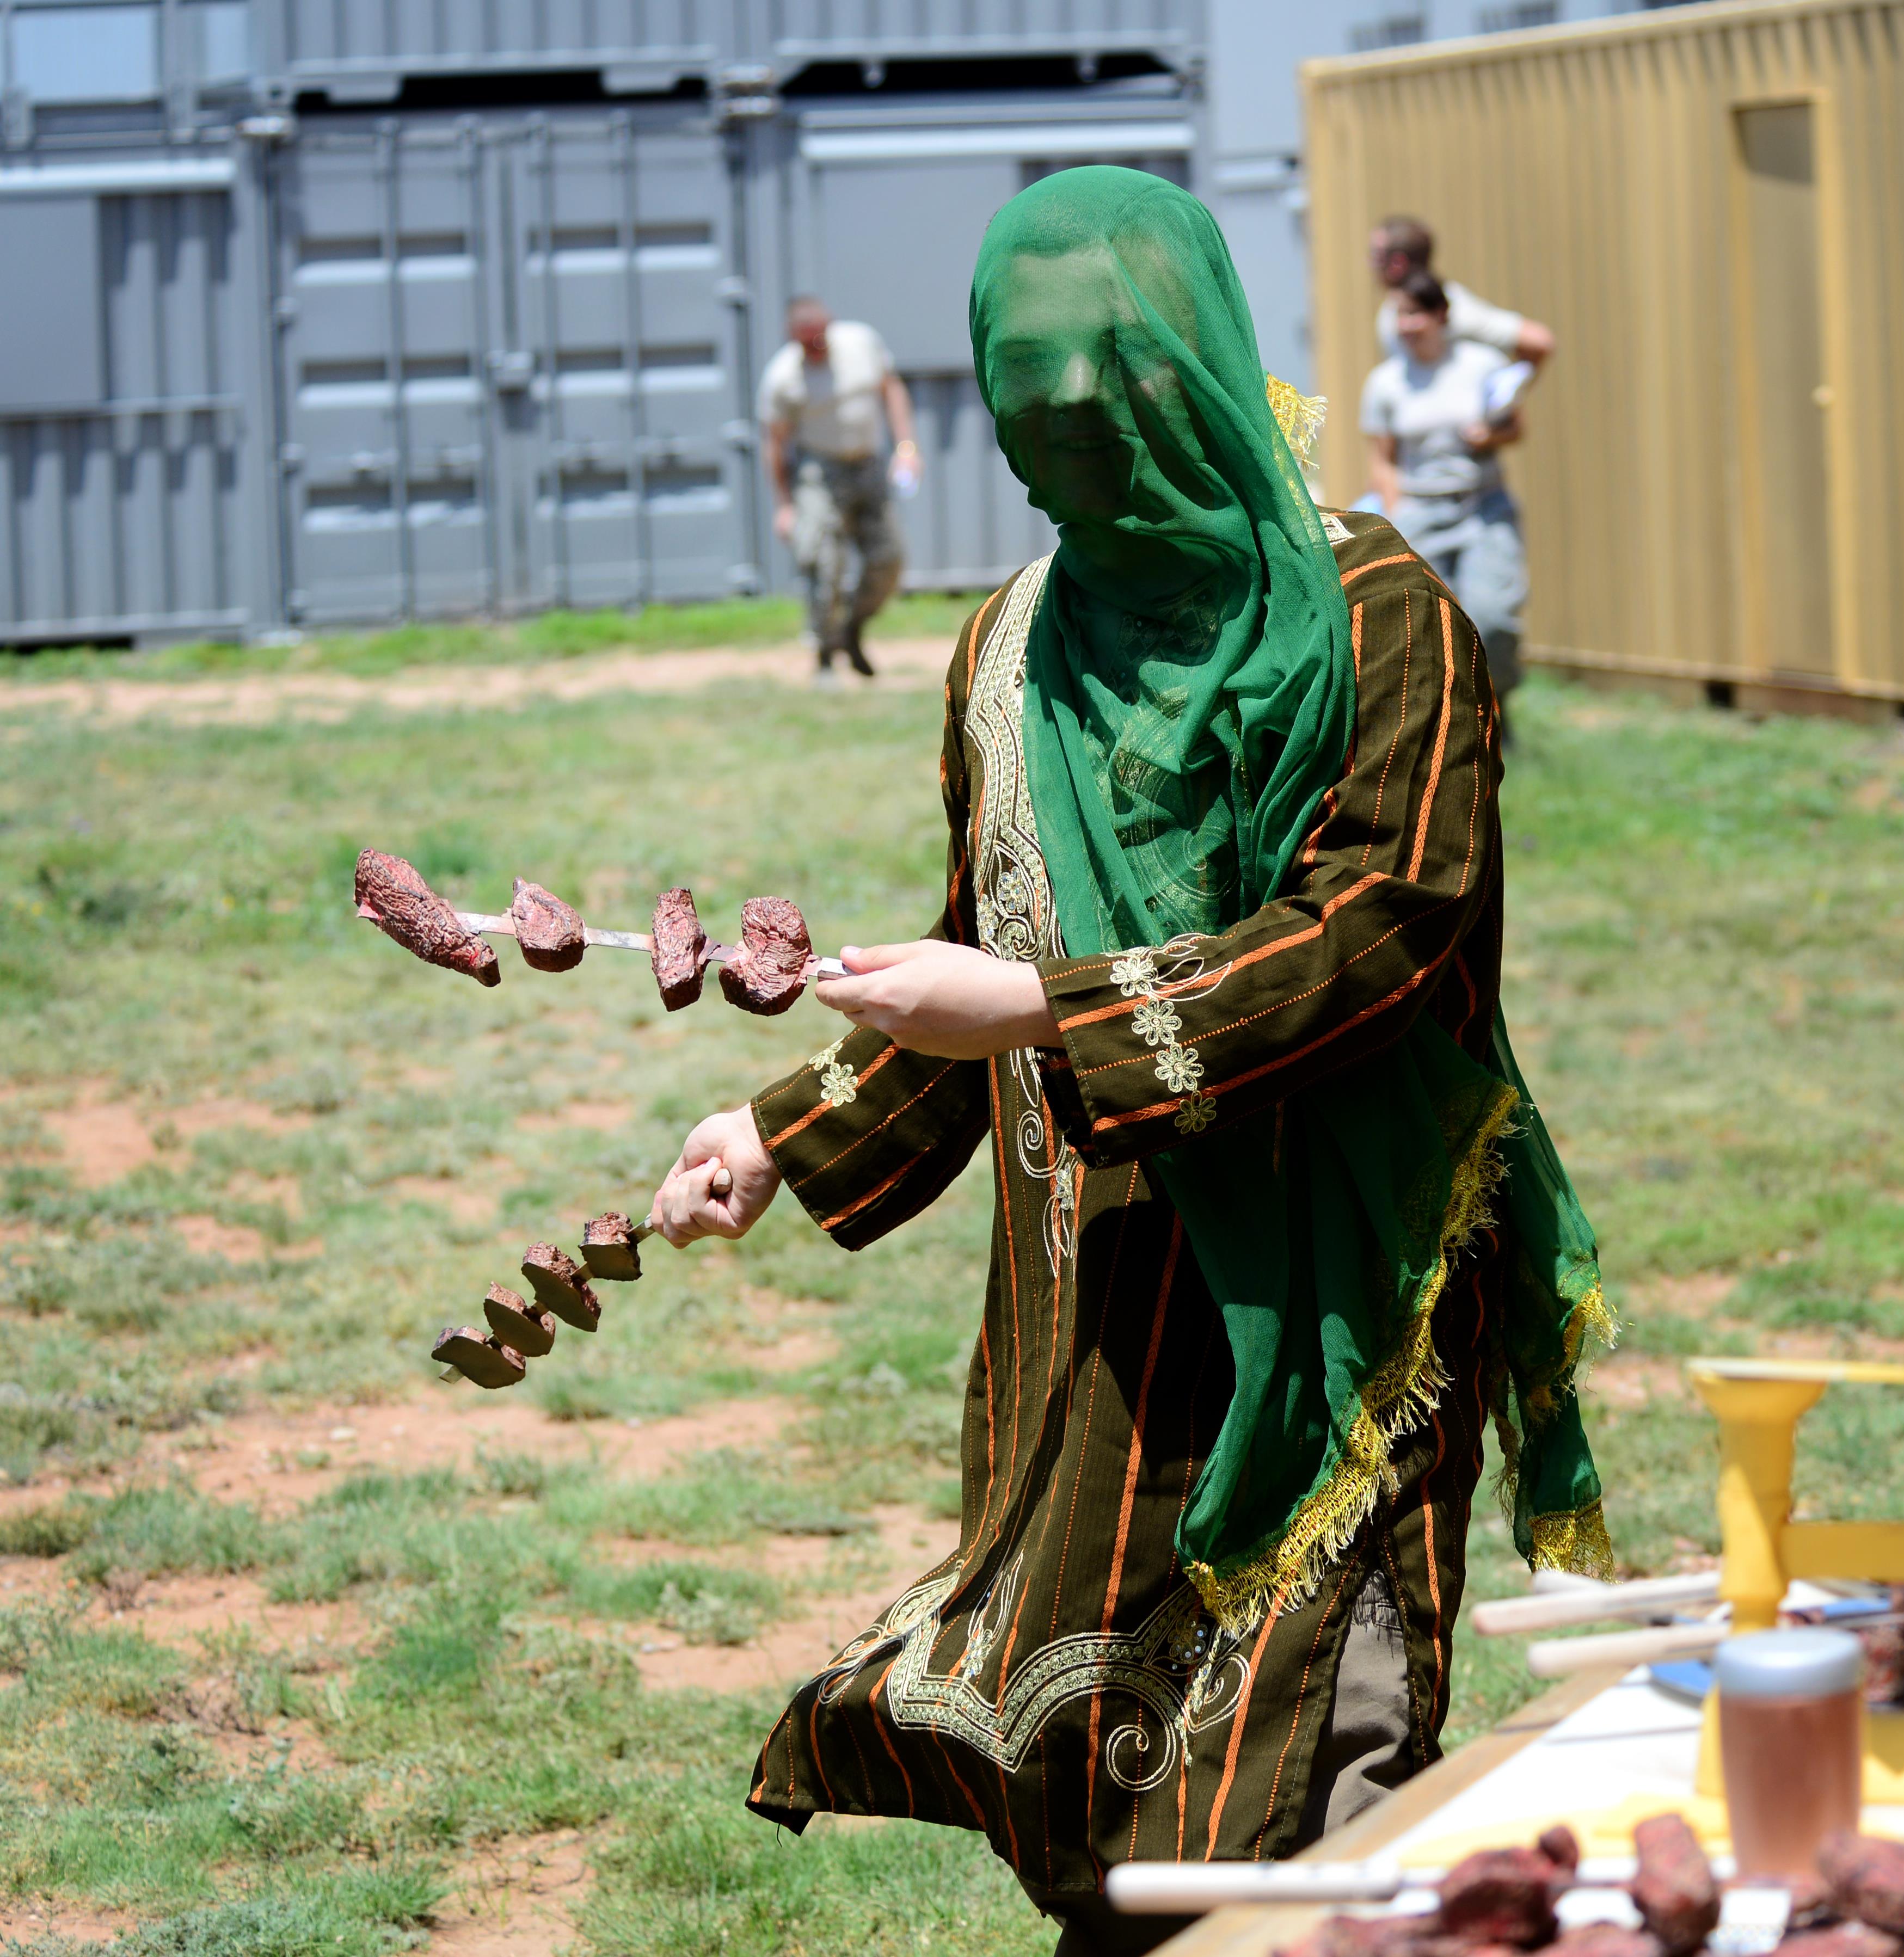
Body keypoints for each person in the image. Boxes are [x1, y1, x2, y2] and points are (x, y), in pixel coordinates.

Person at [649, 168, 1611, 1957]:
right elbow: (980, 946)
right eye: (1023, 425)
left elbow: (1379, 931)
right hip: (1095, 1320)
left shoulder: (1379, 615)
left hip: (1347, 1294)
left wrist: (1036, 1012)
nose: (1054, 464)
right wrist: (780, 1131)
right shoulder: (1009, 651)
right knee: (1106, 1772)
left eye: (1094, 421)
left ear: (1190, 378)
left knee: (1326, 1762)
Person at [1361, 268, 1532, 729]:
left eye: (1415, 314)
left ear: (1441, 315)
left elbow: (1515, 427)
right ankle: (1444, 727)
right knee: (1420, 626)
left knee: (1492, 621)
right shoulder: (1386, 382)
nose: (1406, 325)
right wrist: (1395, 514)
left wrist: (1490, 435)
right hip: (1420, 511)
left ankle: (1499, 708)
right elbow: (1383, 459)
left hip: (1483, 507)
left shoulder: (1481, 365)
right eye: (1399, 315)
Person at [759, 295, 920, 681]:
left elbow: (891, 390)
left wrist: (907, 447)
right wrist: (784, 505)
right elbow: (775, 444)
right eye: (806, 341)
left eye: (820, 338)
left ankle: (852, 629)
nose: (815, 347)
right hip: (821, 473)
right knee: (823, 563)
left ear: (829, 327)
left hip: (867, 465)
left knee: (888, 560)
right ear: (793, 338)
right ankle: (824, 654)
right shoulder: (783, 377)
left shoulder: (861, 343)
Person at [1369, 214, 1555, 369]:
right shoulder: (1390, 310)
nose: (1369, 263)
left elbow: (1539, 341)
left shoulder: (1449, 308)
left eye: (1375, 255)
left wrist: (1500, 401)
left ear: (1397, 263)